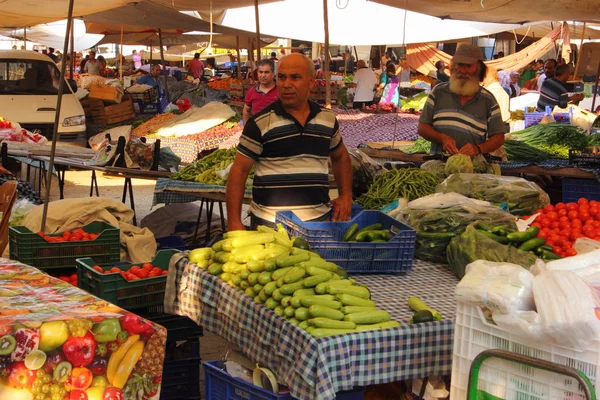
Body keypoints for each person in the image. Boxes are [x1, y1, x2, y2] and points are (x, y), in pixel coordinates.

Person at [226, 53, 353, 230]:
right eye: (282, 77)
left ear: (311, 82)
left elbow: (340, 157)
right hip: (269, 225)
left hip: (318, 223)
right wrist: (233, 222)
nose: (286, 84)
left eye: (295, 77)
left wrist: (346, 196)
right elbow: (239, 171)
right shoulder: (260, 122)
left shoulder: (327, 119)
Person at [418, 43, 507, 156]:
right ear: (453, 66)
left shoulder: (488, 100)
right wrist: (442, 138)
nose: (463, 71)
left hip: (472, 170)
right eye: (459, 65)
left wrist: (478, 149)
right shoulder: (438, 92)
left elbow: (498, 138)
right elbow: (422, 128)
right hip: (436, 166)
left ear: (479, 68)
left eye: (469, 66)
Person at [242, 59, 278, 125]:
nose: (263, 75)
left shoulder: (280, 91)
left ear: (273, 74)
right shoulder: (252, 92)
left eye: (266, 72)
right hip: (257, 131)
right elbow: (246, 111)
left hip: (276, 131)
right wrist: (246, 129)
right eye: (260, 72)